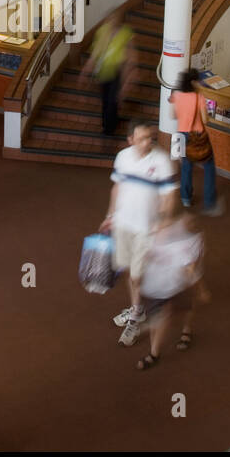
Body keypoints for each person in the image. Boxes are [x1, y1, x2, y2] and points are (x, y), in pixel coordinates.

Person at [100, 122, 179, 347]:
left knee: (137, 274)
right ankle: (138, 308)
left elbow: (169, 196)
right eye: (142, 138)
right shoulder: (123, 158)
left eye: (150, 138)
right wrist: (109, 215)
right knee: (127, 269)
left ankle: (136, 315)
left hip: (147, 228)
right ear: (131, 140)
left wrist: (163, 223)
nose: (148, 142)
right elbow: (116, 188)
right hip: (123, 224)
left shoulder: (162, 161)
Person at [135, 211, 207, 370]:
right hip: (162, 285)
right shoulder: (160, 231)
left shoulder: (192, 242)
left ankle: (186, 329)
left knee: (186, 306)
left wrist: (200, 288)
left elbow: (191, 270)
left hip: (180, 283)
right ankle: (154, 352)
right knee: (163, 315)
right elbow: (147, 253)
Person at [169, 69, 223, 215]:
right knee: (209, 166)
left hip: (181, 134)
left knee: (186, 166)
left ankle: (186, 197)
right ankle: (209, 201)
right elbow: (205, 120)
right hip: (197, 136)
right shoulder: (199, 97)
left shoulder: (176, 96)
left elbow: (172, 115)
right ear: (193, 82)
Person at [82, 11, 134, 136]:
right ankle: (109, 123)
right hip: (103, 70)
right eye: (110, 18)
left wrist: (130, 68)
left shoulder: (125, 33)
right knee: (106, 99)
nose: (112, 21)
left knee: (112, 99)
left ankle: (109, 127)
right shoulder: (103, 31)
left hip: (117, 70)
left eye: (115, 18)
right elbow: (96, 52)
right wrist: (87, 69)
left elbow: (130, 52)